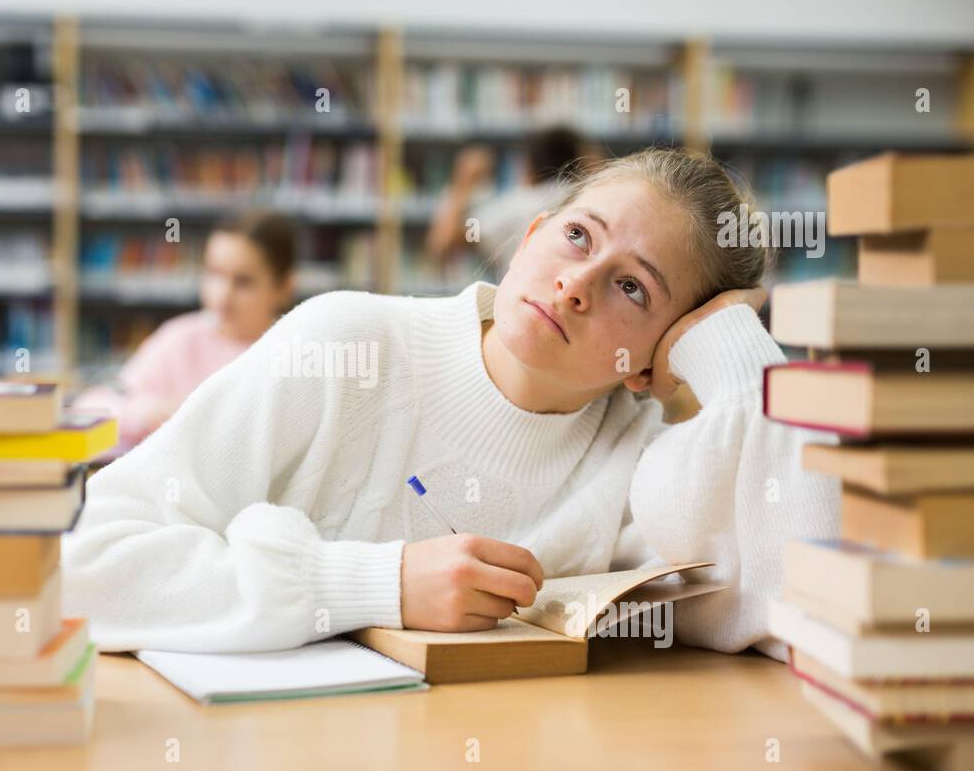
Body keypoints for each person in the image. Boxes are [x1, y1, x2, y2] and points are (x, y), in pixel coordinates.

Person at [62, 147, 840, 661]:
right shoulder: (344, 343)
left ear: (653, 362)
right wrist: (374, 586)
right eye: (576, 237)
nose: (575, 284)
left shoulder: (641, 459)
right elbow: (84, 567)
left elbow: (806, 611)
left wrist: (737, 356)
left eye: (632, 287)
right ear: (528, 235)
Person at [74, 210, 297, 453]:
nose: (223, 295)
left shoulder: (295, 354)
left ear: (284, 287)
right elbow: (89, 408)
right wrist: (144, 412)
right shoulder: (180, 338)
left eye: (243, 281)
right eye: (215, 273)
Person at [426, 127, 591, 282]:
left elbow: (443, 244)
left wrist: (463, 182)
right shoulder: (588, 199)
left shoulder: (519, 205)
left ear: (530, 165)